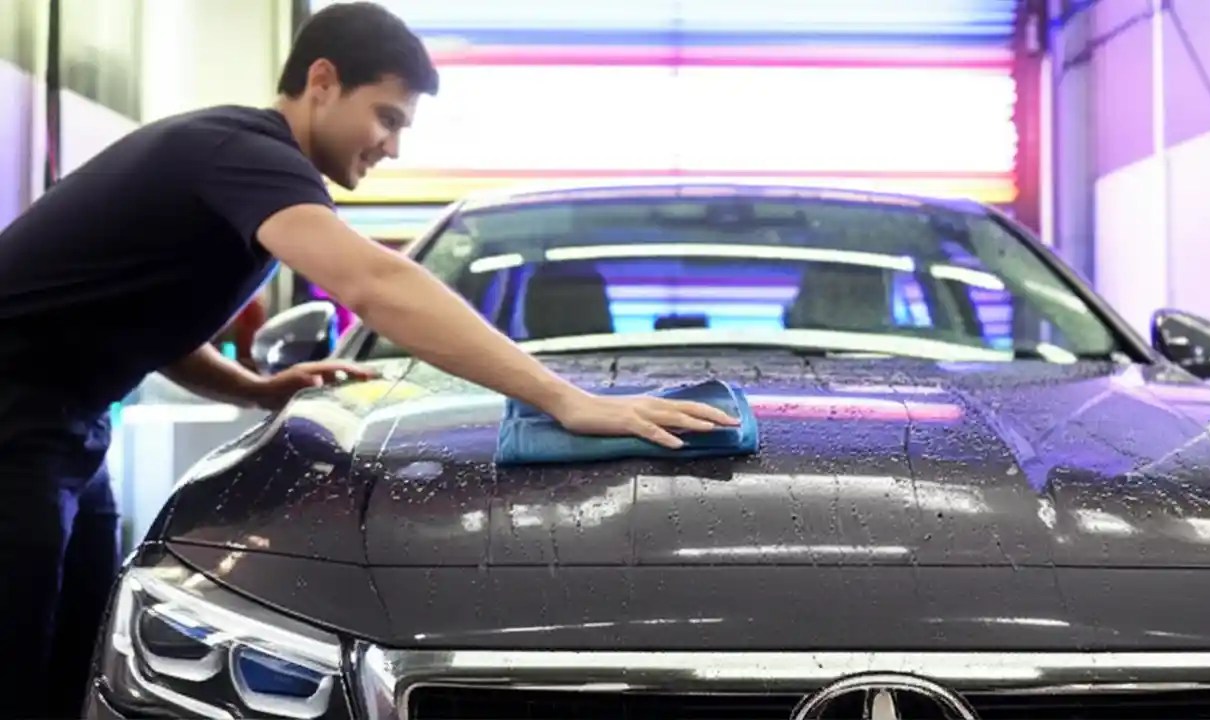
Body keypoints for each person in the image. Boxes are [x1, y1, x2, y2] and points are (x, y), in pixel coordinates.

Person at [0, 2, 737, 717]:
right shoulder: (247, 155)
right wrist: (563, 399)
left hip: (64, 419)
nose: (393, 147)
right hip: (14, 413)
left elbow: (139, 309)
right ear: (322, 81)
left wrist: (254, 387)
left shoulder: (240, 170)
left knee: (69, 660)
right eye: (387, 117)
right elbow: (377, 282)